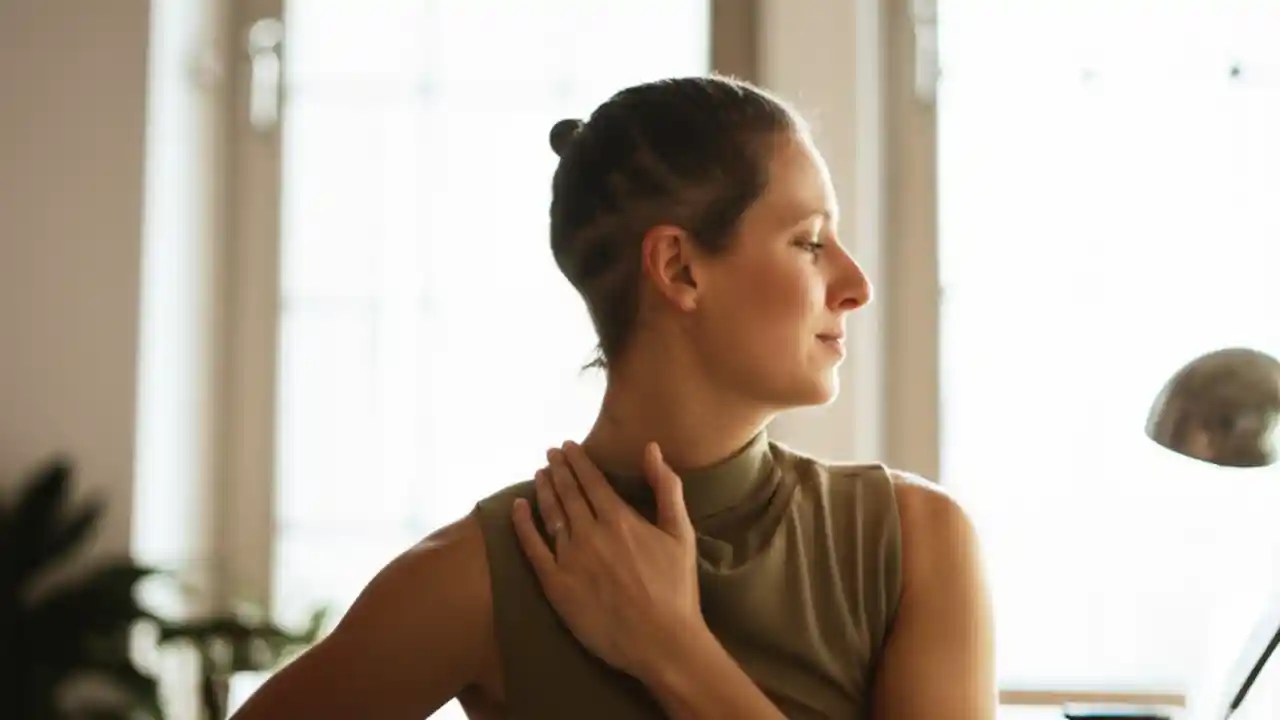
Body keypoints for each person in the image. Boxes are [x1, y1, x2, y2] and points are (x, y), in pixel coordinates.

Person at [231, 75, 995, 719]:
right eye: (809, 241)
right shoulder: (484, 574)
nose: (856, 286)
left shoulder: (914, 544)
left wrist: (676, 653)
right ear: (679, 268)